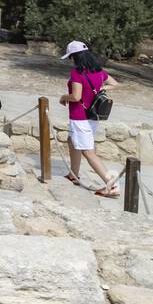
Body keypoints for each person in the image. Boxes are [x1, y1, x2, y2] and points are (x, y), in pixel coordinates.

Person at [59, 40, 120, 198]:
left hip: (80, 117)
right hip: (93, 116)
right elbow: (114, 84)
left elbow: (76, 96)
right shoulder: (99, 71)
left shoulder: (77, 73)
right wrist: (100, 88)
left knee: (88, 151)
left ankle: (111, 185)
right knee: (72, 141)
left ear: (75, 57)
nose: (71, 60)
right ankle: (74, 174)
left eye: (71, 57)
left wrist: (63, 97)